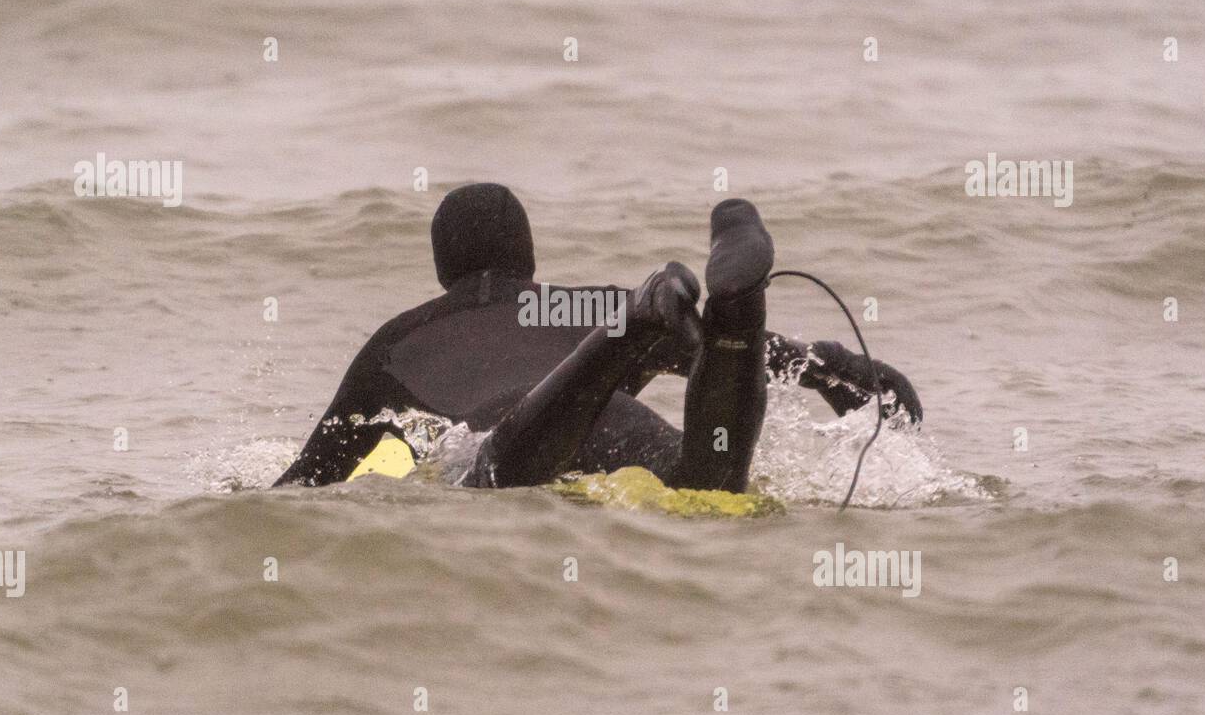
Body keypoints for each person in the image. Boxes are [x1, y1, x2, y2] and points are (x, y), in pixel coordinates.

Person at [274, 184, 921, 491]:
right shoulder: (581, 305)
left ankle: (621, 341)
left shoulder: (397, 344)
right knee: (710, 484)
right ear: (528, 259)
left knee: (499, 479)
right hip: (620, 423)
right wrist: (842, 369)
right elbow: (786, 364)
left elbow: (304, 487)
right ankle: (738, 310)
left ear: (444, 270)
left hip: (515, 439)